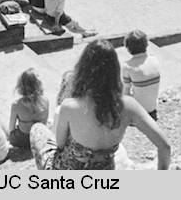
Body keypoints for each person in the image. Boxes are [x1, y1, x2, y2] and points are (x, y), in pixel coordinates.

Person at [30, 38, 170, 170]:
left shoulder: (70, 106)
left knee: (37, 129)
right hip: (105, 169)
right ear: (114, 71)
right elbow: (165, 146)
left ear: (83, 69)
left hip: (67, 170)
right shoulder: (129, 106)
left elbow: (60, 145)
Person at [121, 30, 161, 121]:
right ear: (146, 44)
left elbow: (125, 92)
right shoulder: (154, 59)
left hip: (138, 111)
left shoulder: (128, 66)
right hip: (152, 108)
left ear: (127, 47)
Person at [7, 69, 49, 149]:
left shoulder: (16, 104)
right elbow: (45, 124)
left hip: (21, 140)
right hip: (38, 139)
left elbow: (11, 128)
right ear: (38, 84)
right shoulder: (45, 101)